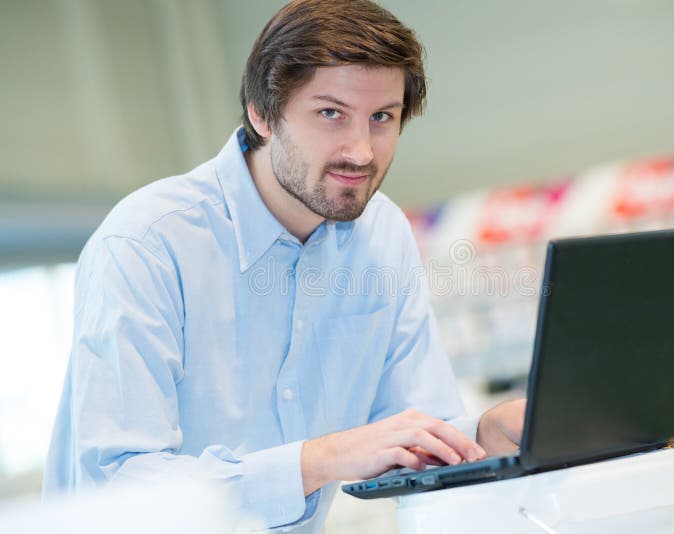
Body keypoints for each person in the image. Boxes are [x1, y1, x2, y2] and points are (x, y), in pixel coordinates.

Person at [44, 0, 525, 530]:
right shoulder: (147, 245)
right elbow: (120, 483)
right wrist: (319, 459)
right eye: (331, 113)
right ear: (261, 113)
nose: (362, 152)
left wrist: (484, 434)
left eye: (381, 118)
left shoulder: (383, 234)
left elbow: (413, 424)